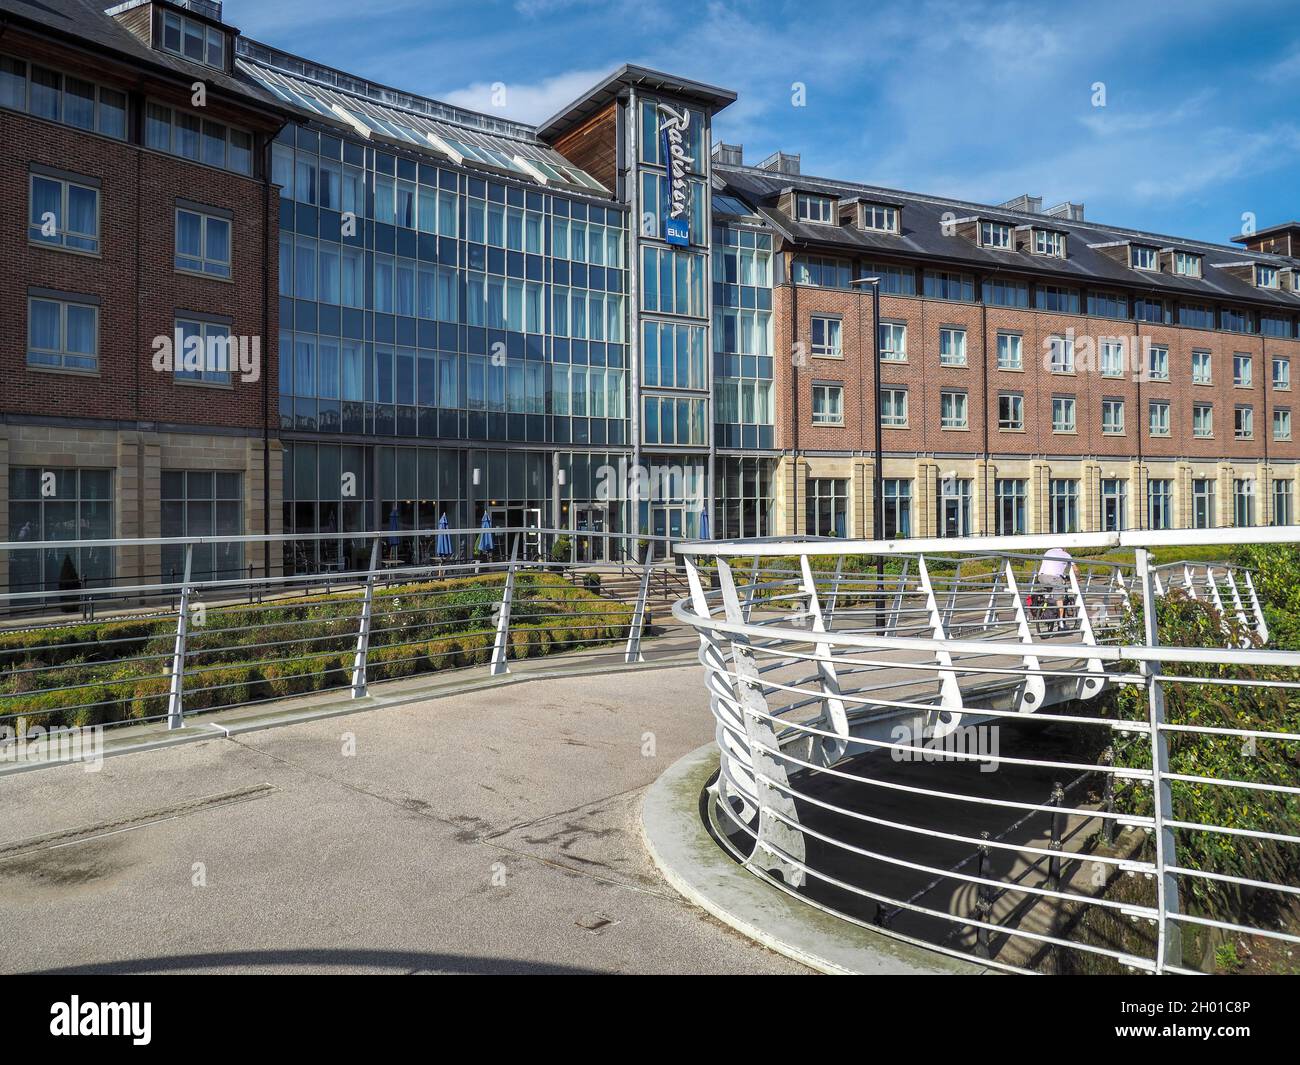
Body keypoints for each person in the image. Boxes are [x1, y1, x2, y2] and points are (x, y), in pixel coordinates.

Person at [1036, 547, 1078, 632]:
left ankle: (1046, 605)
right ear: (1064, 548)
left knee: (1051, 593)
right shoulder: (1066, 555)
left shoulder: (1048, 551)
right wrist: (1077, 576)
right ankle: (1061, 622)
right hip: (1054, 578)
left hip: (1041, 577)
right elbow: (1076, 570)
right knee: (1060, 599)